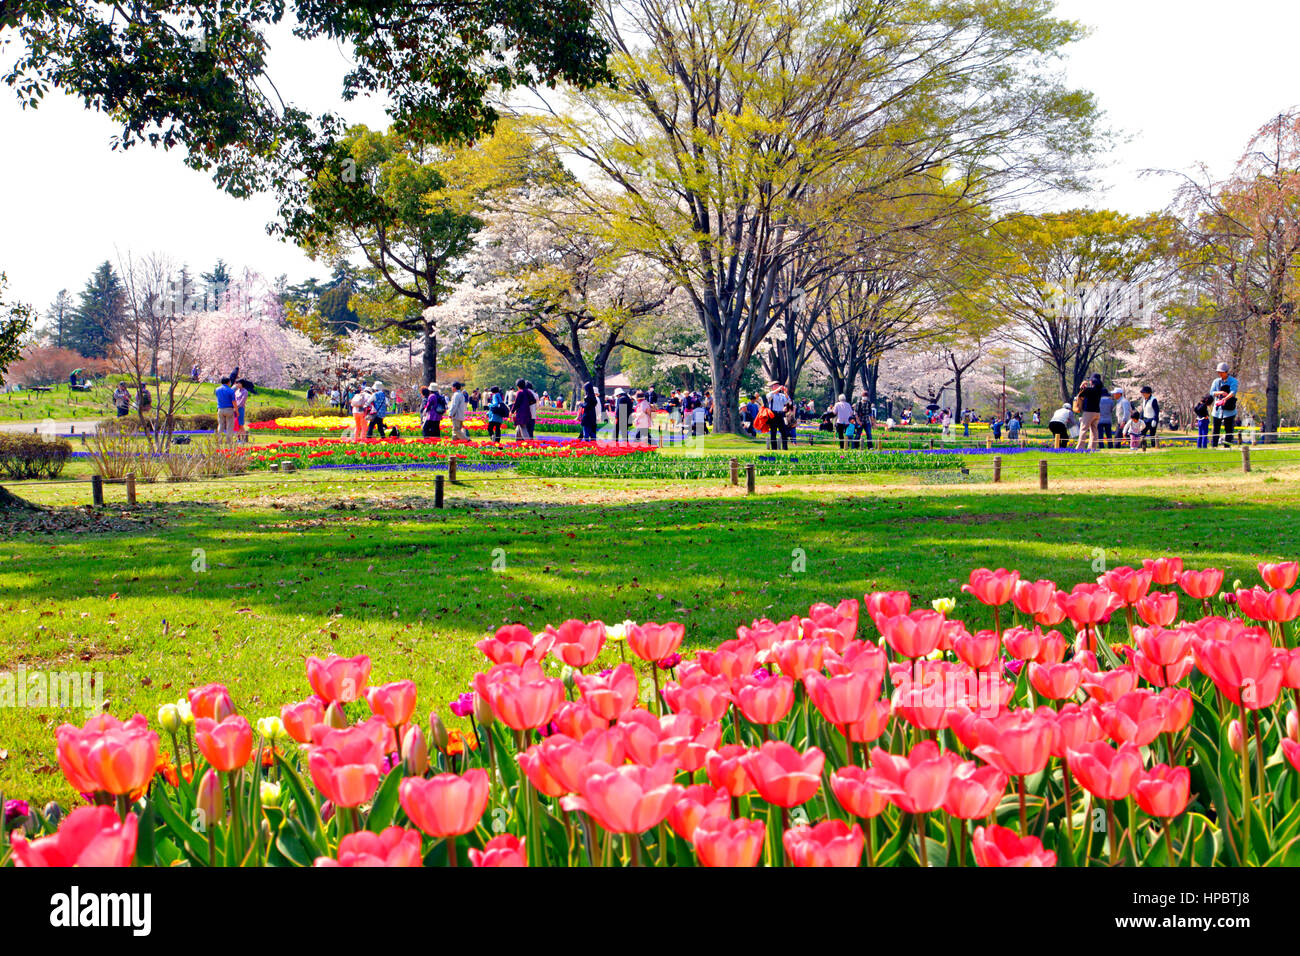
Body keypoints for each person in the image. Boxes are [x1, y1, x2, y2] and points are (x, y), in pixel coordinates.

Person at [1210, 362, 1238, 448]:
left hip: (1229, 409)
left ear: (1226, 372)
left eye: (1221, 372)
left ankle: (1227, 446)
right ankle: (1214, 446)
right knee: (1216, 428)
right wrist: (1220, 393)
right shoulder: (1216, 381)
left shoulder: (1233, 381)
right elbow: (1211, 392)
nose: (1220, 374)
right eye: (1219, 372)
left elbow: (1233, 392)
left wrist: (1225, 398)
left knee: (1229, 429)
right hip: (1218, 410)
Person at [1074, 375, 1101, 451]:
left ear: (1092, 381)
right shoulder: (1099, 390)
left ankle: (1080, 447)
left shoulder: (1090, 390)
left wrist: (1082, 387)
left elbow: (1080, 395)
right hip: (1097, 412)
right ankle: (1092, 448)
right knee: (1094, 431)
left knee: (1083, 429)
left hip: (1089, 412)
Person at [766, 382, 790, 450]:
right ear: (772, 387)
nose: (778, 387)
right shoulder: (770, 394)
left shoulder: (781, 395)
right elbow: (770, 396)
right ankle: (774, 448)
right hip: (773, 414)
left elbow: (788, 402)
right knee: (773, 432)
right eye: (775, 386)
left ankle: (785, 447)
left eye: (778, 386)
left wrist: (785, 392)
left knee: (784, 431)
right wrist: (778, 388)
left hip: (780, 414)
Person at [214, 377, 237, 441]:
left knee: (221, 425)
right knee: (229, 425)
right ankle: (228, 440)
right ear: (228, 382)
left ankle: (219, 439)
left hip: (220, 409)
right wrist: (236, 411)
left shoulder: (217, 390)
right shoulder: (231, 391)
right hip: (229, 409)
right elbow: (234, 401)